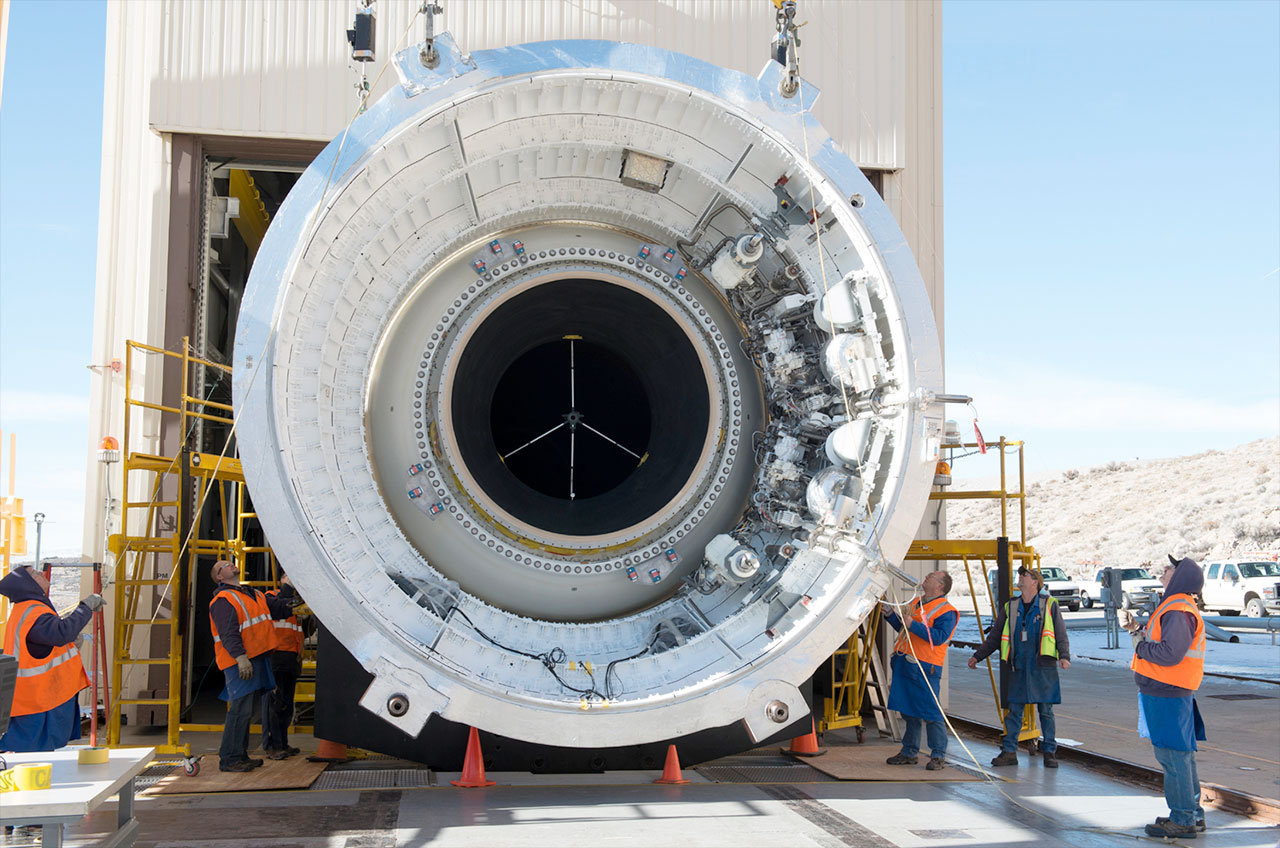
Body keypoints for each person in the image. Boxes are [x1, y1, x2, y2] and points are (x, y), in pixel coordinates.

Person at [1121, 555, 1208, 839]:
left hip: (1167, 690)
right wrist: (1137, 630)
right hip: (1172, 690)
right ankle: (1191, 813)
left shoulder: (1177, 609)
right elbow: (1164, 642)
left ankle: (1183, 818)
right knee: (1181, 754)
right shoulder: (1176, 606)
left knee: (1173, 756)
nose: (1165, 570)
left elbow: (1170, 653)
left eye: (1171, 567)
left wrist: (1140, 647)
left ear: (1180, 577)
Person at [967, 564, 1071, 767]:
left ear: (1035, 582)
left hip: (1043, 666)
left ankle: (1049, 753)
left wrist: (1064, 656)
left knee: (1046, 712)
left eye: (1026, 575)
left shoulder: (1049, 604)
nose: (1021, 577)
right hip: (1018, 666)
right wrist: (978, 656)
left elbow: (1060, 633)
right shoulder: (1011, 606)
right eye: (1020, 574)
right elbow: (995, 636)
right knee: (1014, 712)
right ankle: (1009, 752)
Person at [0, 565, 104, 751]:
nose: (41, 574)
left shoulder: (26, 610)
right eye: (35, 573)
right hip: (40, 699)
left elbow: (46, 643)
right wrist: (85, 608)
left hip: (35, 698)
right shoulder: (34, 612)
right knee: (35, 755)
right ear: (28, 583)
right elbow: (61, 634)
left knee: (35, 752)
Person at [208, 560, 297, 772]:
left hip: (257, 658)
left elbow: (279, 609)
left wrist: (295, 592)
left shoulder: (254, 595)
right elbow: (228, 632)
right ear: (219, 577)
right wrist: (240, 658)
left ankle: (240, 755)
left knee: (245, 711)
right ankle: (230, 759)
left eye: (230, 563)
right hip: (240, 662)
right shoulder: (223, 600)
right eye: (224, 566)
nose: (230, 565)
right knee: (239, 710)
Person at [882, 570, 958, 770]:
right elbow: (904, 628)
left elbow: (939, 637)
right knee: (908, 710)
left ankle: (938, 755)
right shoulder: (916, 602)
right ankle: (909, 751)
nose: (927, 577)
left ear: (940, 586)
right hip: (906, 662)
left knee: (931, 712)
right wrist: (890, 615)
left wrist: (912, 624)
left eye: (932, 576)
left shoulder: (947, 611)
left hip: (925, 666)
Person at [261, 575, 306, 759]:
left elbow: (301, 631)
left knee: (286, 704)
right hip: (276, 655)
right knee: (274, 703)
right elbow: (279, 606)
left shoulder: (297, 602)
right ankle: (272, 745)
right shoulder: (271, 597)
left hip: (291, 657)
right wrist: (287, 587)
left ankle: (282, 744)